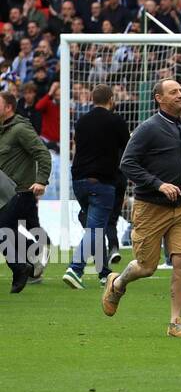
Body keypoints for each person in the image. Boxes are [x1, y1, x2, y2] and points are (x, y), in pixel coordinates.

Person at [107, 79, 181, 337]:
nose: (180, 95)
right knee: (146, 267)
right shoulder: (147, 129)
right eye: (174, 92)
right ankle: (117, 282)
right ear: (159, 98)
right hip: (151, 207)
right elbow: (127, 164)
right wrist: (158, 184)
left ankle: (175, 322)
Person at [63, 85, 130, 290]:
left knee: (96, 226)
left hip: (79, 181)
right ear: (111, 99)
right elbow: (128, 149)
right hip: (102, 182)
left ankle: (103, 272)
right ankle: (75, 268)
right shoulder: (116, 121)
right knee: (95, 227)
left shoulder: (82, 121)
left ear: (93, 99)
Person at [0, 91, 53, 293]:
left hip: (20, 191)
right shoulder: (3, 130)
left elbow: (42, 153)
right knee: (15, 229)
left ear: (8, 107)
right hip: (5, 193)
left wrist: (41, 181)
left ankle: (21, 266)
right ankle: (35, 254)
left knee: (3, 230)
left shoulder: (20, 129)